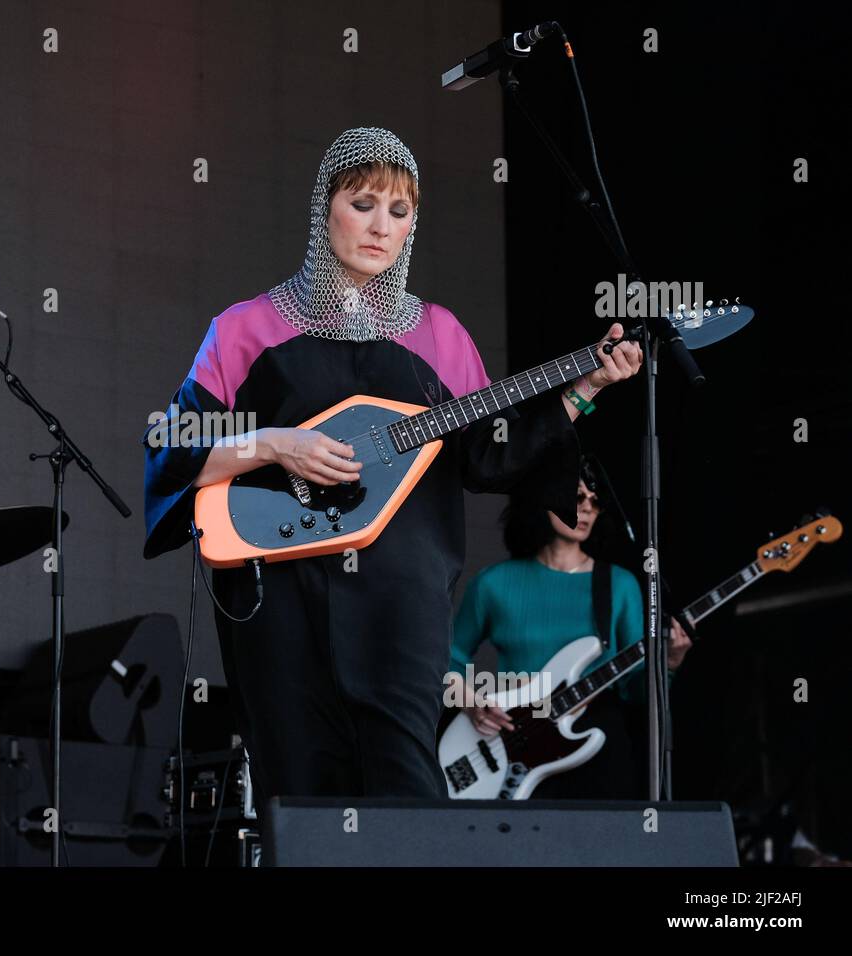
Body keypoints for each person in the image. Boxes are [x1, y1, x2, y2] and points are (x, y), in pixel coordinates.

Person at [142, 127, 644, 803]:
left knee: (405, 789)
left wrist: (586, 390)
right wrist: (273, 444)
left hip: (401, 602)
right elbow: (173, 448)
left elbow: (488, 457)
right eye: (364, 203)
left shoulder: (438, 334)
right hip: (281, 596)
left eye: (399, 211)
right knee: (296, 786)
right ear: (326, 208)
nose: (382, 227)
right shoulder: (247, 327)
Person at [447, 459, 690, 798]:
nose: (587, 508)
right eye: (577, 497)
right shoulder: (493, 584)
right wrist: (472, 703)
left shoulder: (618, 585)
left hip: (596, 743)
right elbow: (448, 660)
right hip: (510, 744)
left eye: (595, 500)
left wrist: (669, 665)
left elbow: (635, 691)